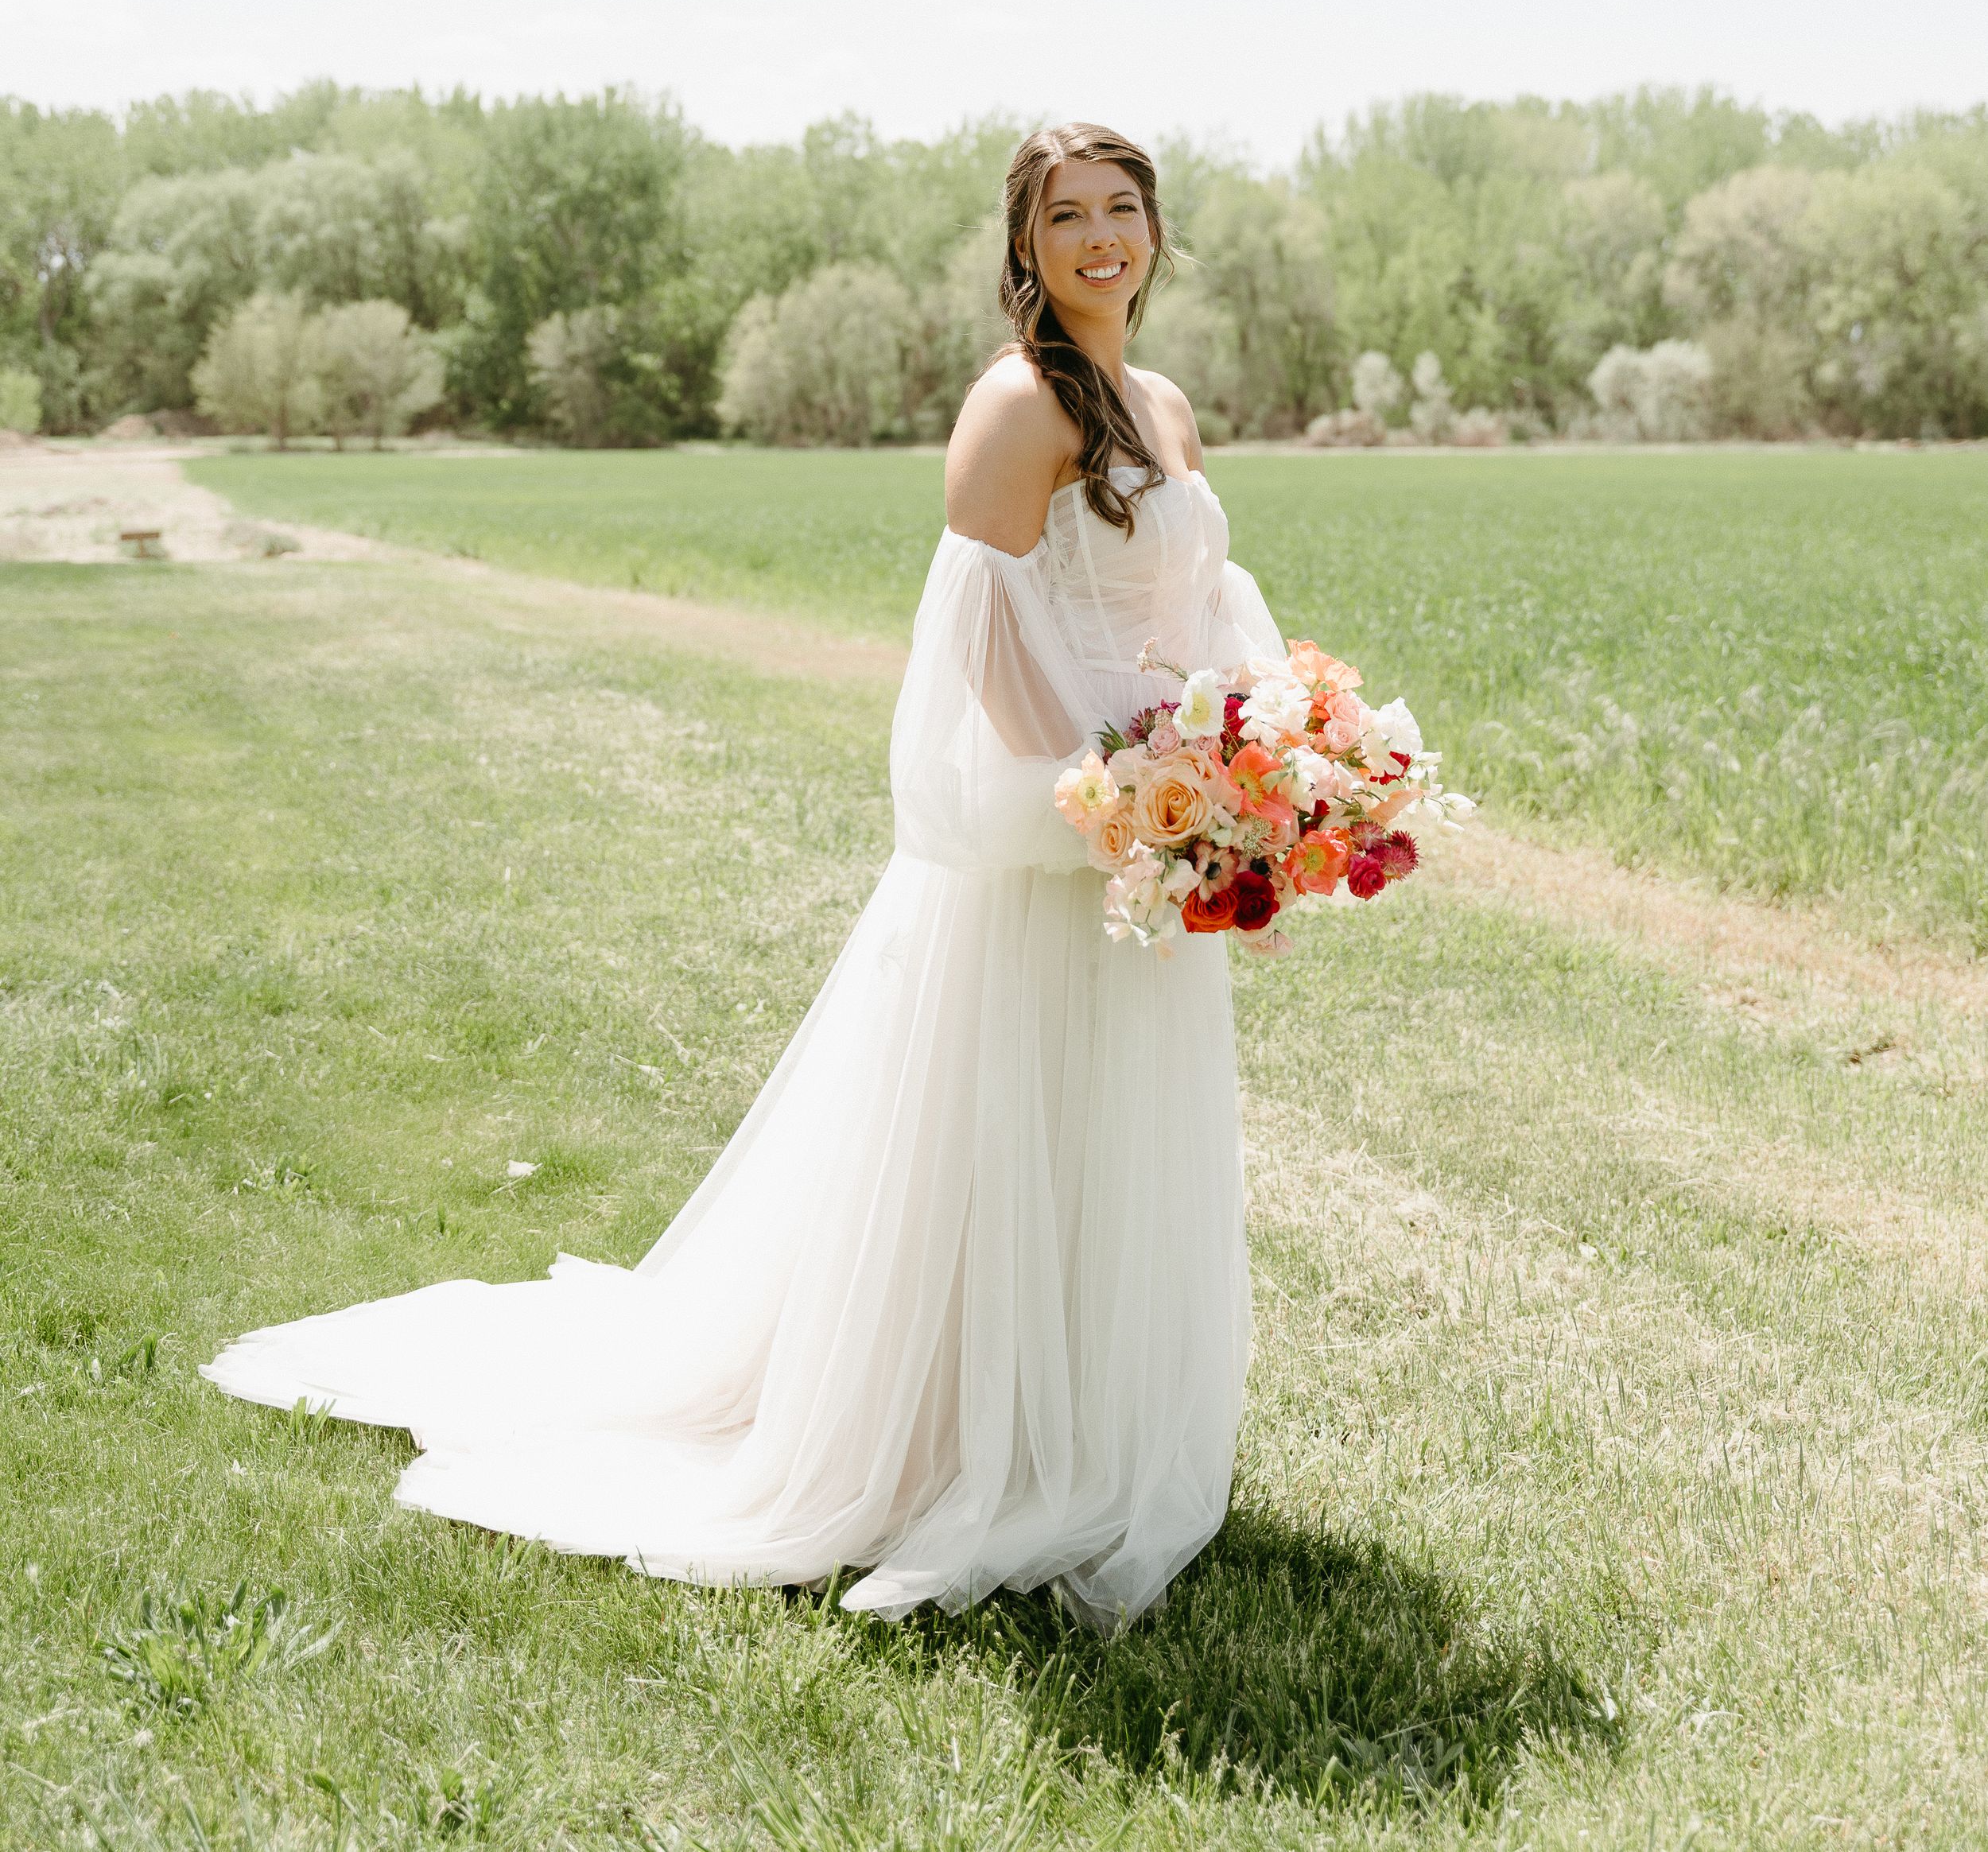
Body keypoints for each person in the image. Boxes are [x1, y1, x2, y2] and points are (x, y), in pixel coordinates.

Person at [205, 121, 1283, 1627]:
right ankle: (957, 1433)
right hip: (1060, 835)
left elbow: (1200, 601)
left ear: (1155, 231)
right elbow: (981, 636)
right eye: (1066, 216)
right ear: (1025, 247)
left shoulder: (1160, 404)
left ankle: (1087, 1424)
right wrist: (1103, 799)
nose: (1100, 237)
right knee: (1010, 1129)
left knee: (1118, 1132)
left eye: (1123, 208)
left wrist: (1250, 762)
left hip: (1161, 830)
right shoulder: (1016, 401)